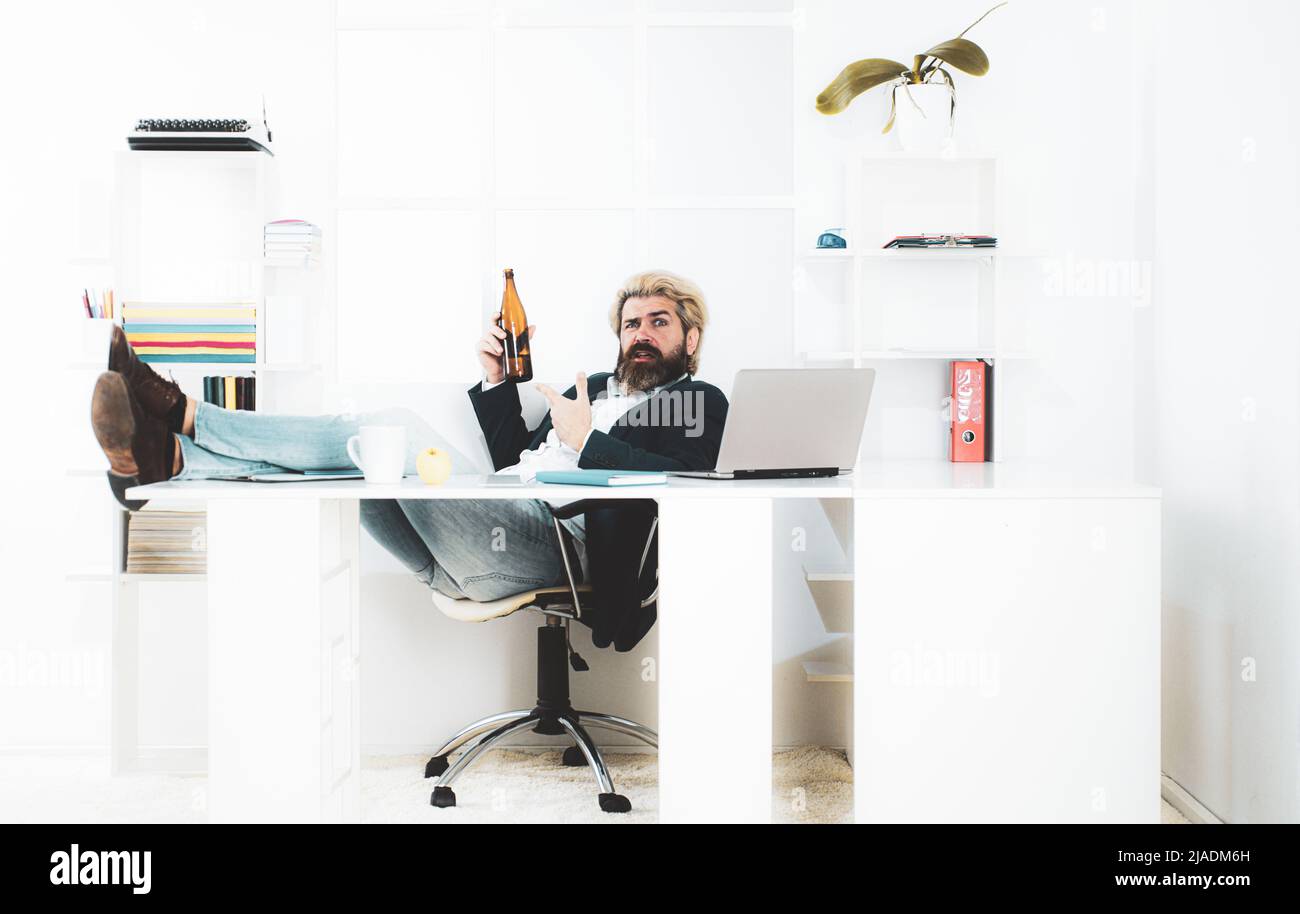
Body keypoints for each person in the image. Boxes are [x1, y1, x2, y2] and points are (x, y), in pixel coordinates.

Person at [90, 269, 729, 604]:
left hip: (557, 547)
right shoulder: (592, 386)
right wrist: (498, 382)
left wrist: (590, 443)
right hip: (487, 519)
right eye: (630, 324)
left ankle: (182, 412)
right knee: (362, 462)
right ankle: (171, 460)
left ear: (689, 339)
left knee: (389, 427)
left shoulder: (697, 401)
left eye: (658, 322)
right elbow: (514, 459)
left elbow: (693, 480)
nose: (640, 333)